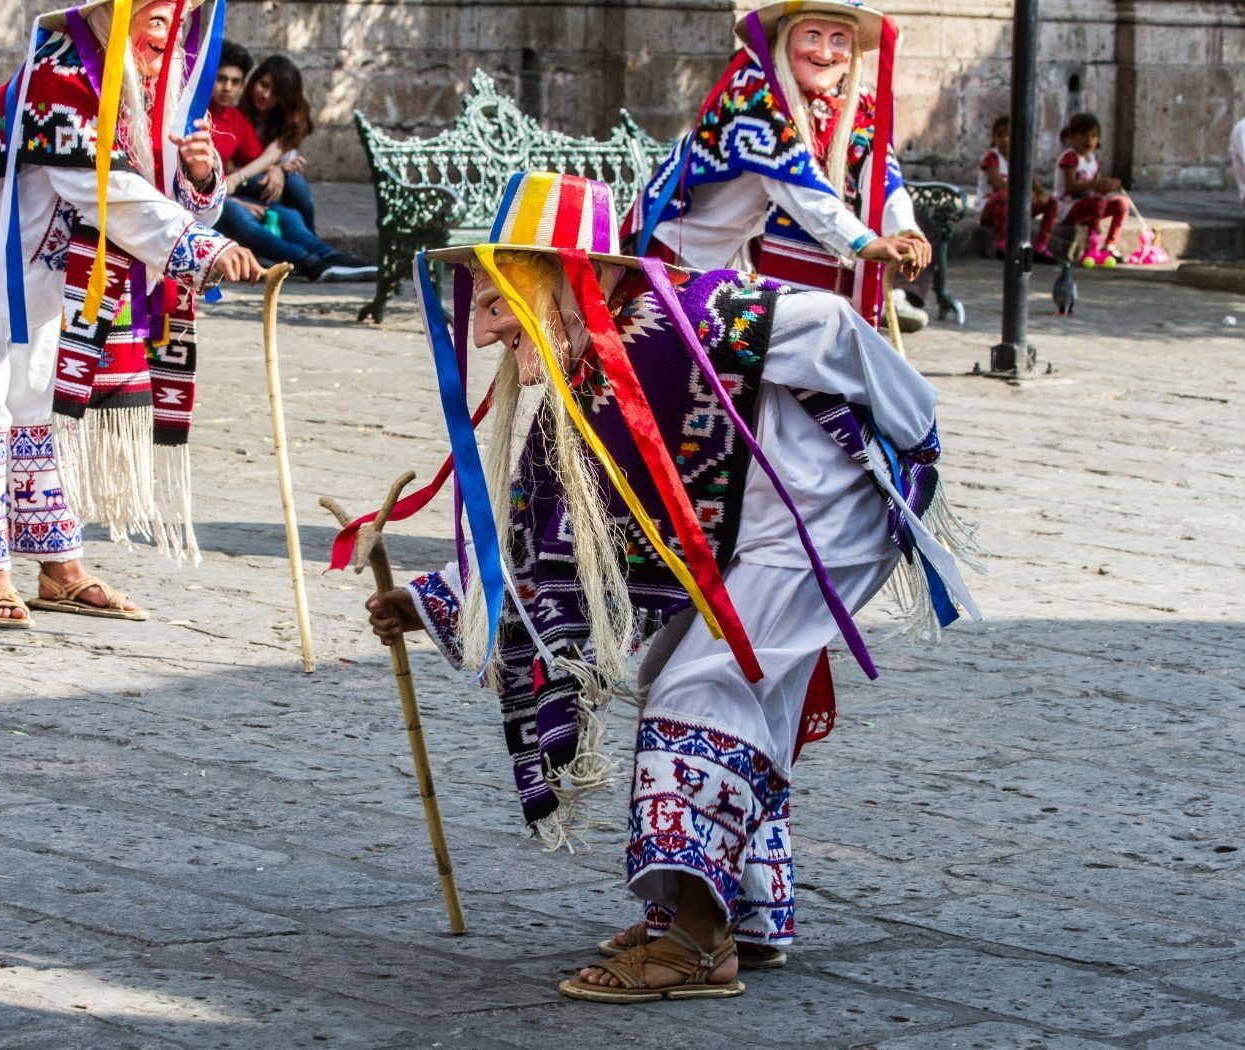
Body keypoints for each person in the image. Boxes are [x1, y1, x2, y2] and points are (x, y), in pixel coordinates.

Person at [343, 171, 981, 1003]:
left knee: (701, 687)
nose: (491, 326)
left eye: (502, 297)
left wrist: (912, 434)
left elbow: (827, 323)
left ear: (563, 274)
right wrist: (439, 601)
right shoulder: (585, 374)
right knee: (721, 685)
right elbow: (547, 539)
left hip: (824, 516)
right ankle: (738, 910)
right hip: (743, 537)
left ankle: (690, 944)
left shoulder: (698, 315)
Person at [0, 0, 261, 629]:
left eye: (177, 17)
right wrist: (208, 248)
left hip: (46, 277)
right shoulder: (60, 82)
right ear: (110, 18)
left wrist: (200, 176)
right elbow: (105, 190)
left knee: (38, 408)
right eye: (155, 13)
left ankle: (58, 568)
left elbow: (156, 189)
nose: (169, 27)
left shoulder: (134, 93)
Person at [621, 1, 931, 330]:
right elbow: (793, 181)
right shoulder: (753, 91)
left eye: (839, 39)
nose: (826, 52)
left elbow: (880, 171)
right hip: (680, 249)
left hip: (739, 256)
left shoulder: (853, 101)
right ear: (786, 39)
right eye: (812, 35)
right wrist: (863, 242)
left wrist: (904, 230)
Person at [208, 43, 371, 281]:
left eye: (235, 82)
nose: (227, 88)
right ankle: (309, 264)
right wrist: (232, 198)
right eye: (221, 80)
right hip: (209, 202)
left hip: (234, 191)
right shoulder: (196, 113)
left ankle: (331, 257)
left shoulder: (236, 119)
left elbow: (256, 163)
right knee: (240, 213)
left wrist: (276, 169)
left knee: (287, 212)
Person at [978, 114, 1058, 262]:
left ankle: (1041, 246)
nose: (1005, 140)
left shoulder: (1020, 158)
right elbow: (996, 184)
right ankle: (1002, 244)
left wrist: (1040, 194)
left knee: (1052, 202)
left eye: (1009, 135)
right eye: (1000, 135)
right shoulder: (991, 157)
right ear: (993, 138)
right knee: (1004, 195)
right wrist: (1025, 193)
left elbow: (1034, 184)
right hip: (990, 209)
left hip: (1015, 210)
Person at [1055, 112, 1128, 265]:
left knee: (1121, 203)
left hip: (1089, 205)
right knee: (1097, 201)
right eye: (1083, 135)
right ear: (1072, 136)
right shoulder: (1070, 157)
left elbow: (1096, 192)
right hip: (1068, 207)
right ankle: (1092, 245)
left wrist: (1107, 186)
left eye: (1094, 135)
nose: (1089, 140)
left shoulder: (1094, 160)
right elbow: (1071, 188)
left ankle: (1110, 245)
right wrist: (1095, 184)